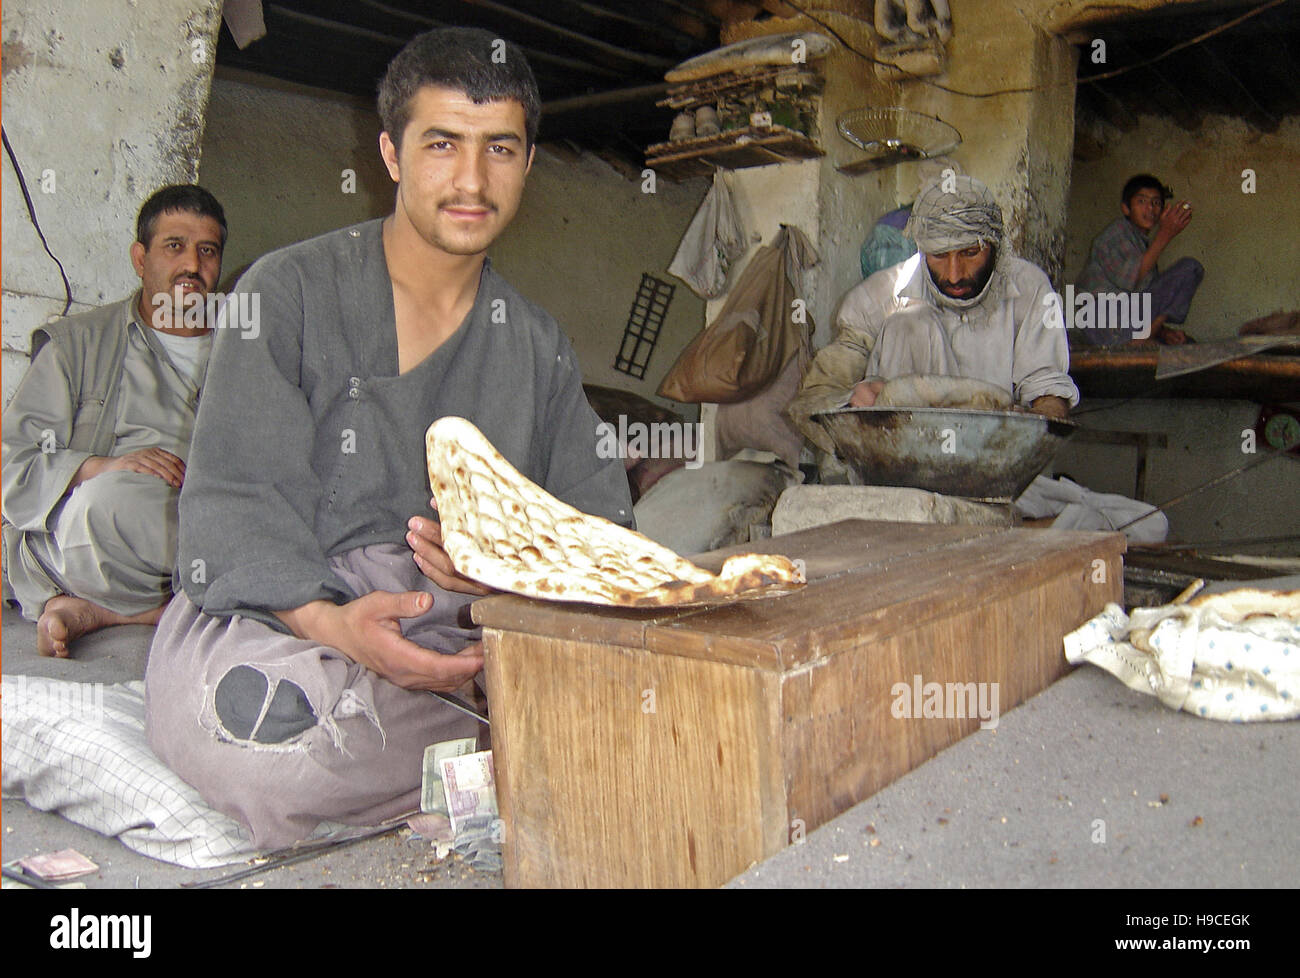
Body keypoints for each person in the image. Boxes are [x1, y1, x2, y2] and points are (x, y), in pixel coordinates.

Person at [143, 28, 634, 850]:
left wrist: (504, 571)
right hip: (283, 618)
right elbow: (235, 503)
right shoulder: (287, 291)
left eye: (499, 148)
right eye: (442, 144)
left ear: (527, 163)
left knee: (633, 683)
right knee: (269, 747)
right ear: (391, 154)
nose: (471, 180)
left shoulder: (536, 344)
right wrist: (333, 625)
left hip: (460, 631)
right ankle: (497, 749)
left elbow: (598, 531)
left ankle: (478, 736)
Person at [2, 185, 227, 658]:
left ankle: (107, 611)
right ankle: (204, 603)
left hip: (213, 515)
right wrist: (99, 466)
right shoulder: (78, 344)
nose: (192, 264)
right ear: (140, 259)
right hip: (114, 525)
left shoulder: (247, 339)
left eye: (207, 250)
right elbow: (11, 463)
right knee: (104, 504)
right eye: (175, 246)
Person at [789, 174, 1077, 454]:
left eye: (970, 253)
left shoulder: (1029, 288)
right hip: (896, 461)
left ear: (995, 246)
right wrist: (852, 402)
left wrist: (1033, 421)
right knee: (909, 324)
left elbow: (1047, 390)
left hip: (991, 459)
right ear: (921, 249)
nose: (954, 275)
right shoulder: (877, 298)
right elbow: (815, 397)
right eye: (938, 256)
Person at [1075, 174, 1203, 346]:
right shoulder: (1117, 232)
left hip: (1124, 325)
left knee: (1187, 343)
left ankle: (1149, 336)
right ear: (1126, 208)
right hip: (1104, 323)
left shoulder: (1142, 246)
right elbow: (1130, 280)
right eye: (1141, 201)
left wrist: (1165, 333)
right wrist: (1165, 234)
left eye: (1156, 203)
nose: (1150, 208)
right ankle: (1142, 340)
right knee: (1190, 268)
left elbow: (1143, 299)